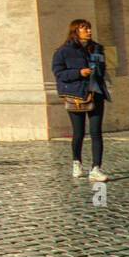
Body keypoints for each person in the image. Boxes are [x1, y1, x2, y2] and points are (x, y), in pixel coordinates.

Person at [52, 19, 111, 182]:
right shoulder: (64, 51)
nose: (89, 31)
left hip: (96, 92)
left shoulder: (97, 48)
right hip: (76, 95)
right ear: (75, 31)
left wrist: (97, 70)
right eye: (85, 29)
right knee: (78, 132)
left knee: (96, 132)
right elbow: (59, 73)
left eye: (89, 28)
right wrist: (79, 72)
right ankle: (76, 162)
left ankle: (96, 168)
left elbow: (103, 68)